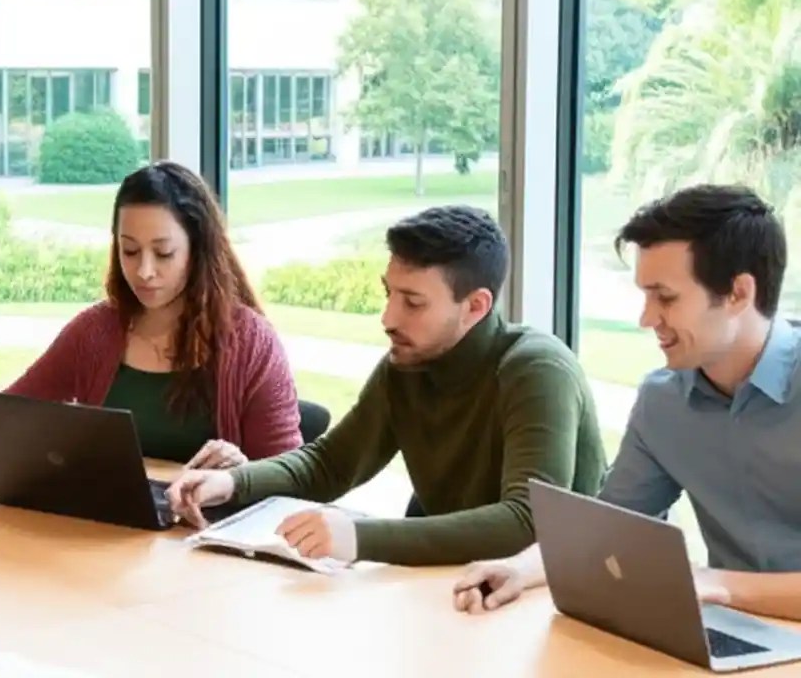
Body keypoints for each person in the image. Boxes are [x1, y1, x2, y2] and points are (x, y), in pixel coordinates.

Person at [167, 205, 607, 566]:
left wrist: (358, 537)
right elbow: (329, 466)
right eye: (389, 294)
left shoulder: (537, 370)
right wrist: (230, 483)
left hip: (549, 600)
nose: (389, 319)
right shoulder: (408, 364)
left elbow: (527, 520)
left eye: (413, 302)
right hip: (455, 589)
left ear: (475, 306)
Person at [454, 185, 801, 622]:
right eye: (645, 295)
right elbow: (608, 528)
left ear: (738, 294)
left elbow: (715, 585)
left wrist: (717, 583)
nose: (646, 318)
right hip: (748, 639)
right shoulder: (664, 401)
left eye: (667, 298)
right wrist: (518, 569)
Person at [5, 161, 302, 468]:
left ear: (197, 249)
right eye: (130, 251)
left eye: (164, 254)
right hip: (105, 515)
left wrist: (243, 475)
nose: (144, 272)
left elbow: (292, 479)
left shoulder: (254, 343)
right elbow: (4, 415)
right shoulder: (93, 331)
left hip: (210, 517)